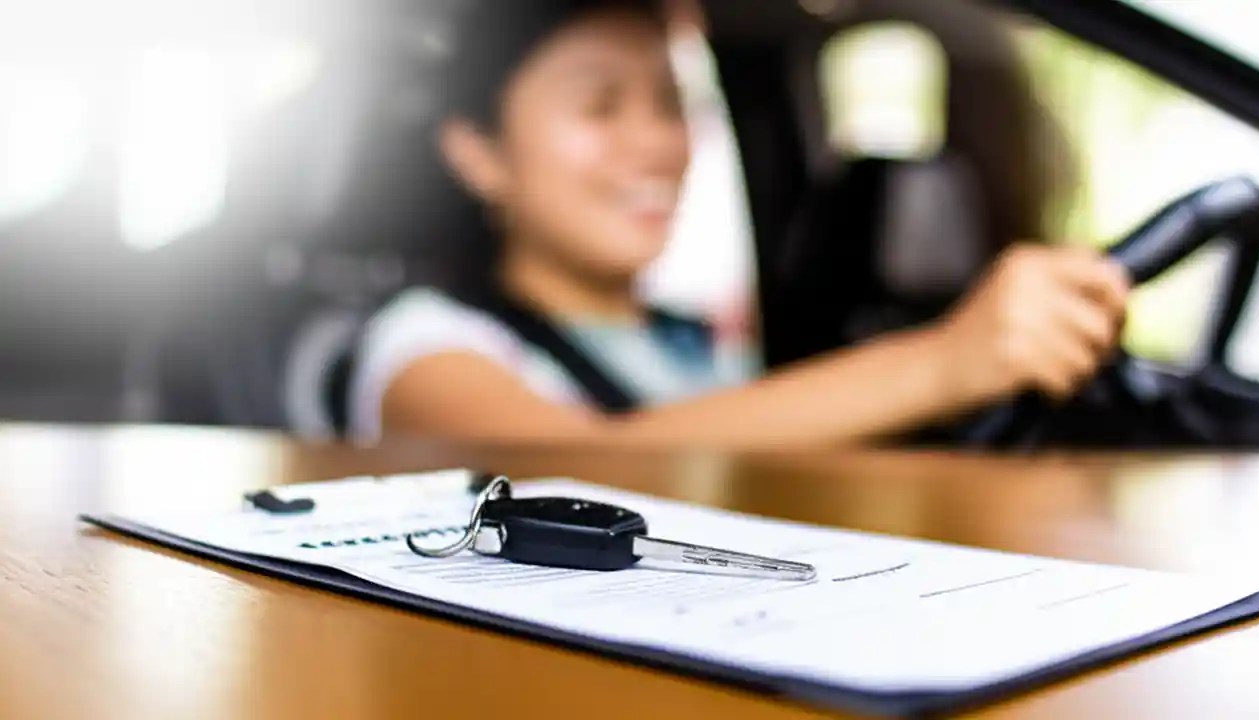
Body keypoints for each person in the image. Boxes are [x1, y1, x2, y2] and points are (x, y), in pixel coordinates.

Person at [350, 0, 1130, 448]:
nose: (657, 142)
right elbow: (578, 470)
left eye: (671, 103)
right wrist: (944, 363)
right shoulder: (427, 346)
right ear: (478, 153)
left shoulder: (695, 342)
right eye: (599, 105)